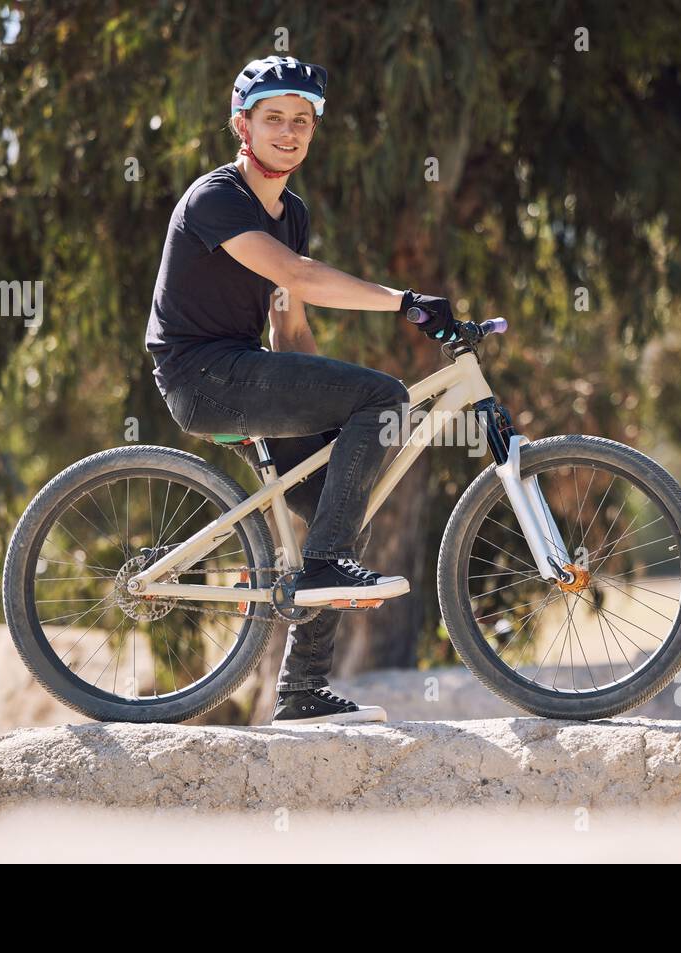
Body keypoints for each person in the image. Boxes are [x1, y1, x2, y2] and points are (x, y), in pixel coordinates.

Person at [145, 55, 458, 726]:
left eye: (302, 121)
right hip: (203, 376)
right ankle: (323, 568)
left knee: (344, 510)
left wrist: (328, 410)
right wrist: (402, 303)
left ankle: (303, 692)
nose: (289, 132)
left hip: (247, 369)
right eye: (274, 119)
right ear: (242, 126)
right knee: (384, 397)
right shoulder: (215, 198)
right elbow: (297, 274)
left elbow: (290, 323)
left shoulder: (292, 211)